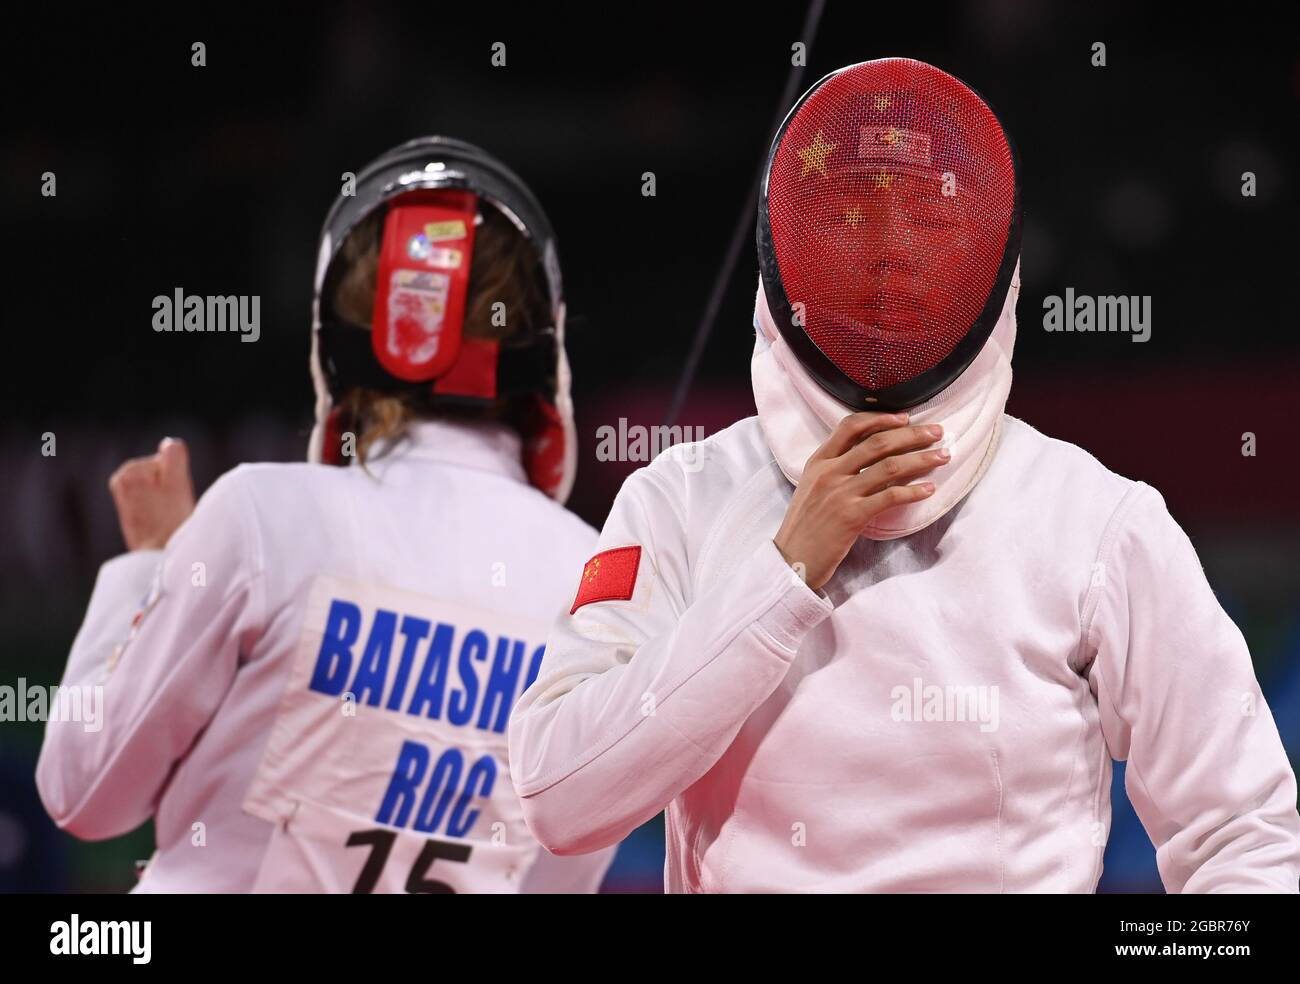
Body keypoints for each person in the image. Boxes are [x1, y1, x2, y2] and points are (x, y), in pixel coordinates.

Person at [507, 59, 1300, 892]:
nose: (890, 256)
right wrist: (781, 578)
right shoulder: (680, 499)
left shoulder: (1095, 522)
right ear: (791, 240)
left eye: (927, 218)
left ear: (991, 253)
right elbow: (562, 800)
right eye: (852, 218)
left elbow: (1246, 837)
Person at [37, 136, 616, 893]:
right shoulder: (600, 585)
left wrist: (148, 562)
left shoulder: (263, 515)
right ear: (544, 342)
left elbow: (83, 793)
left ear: (335, 342)